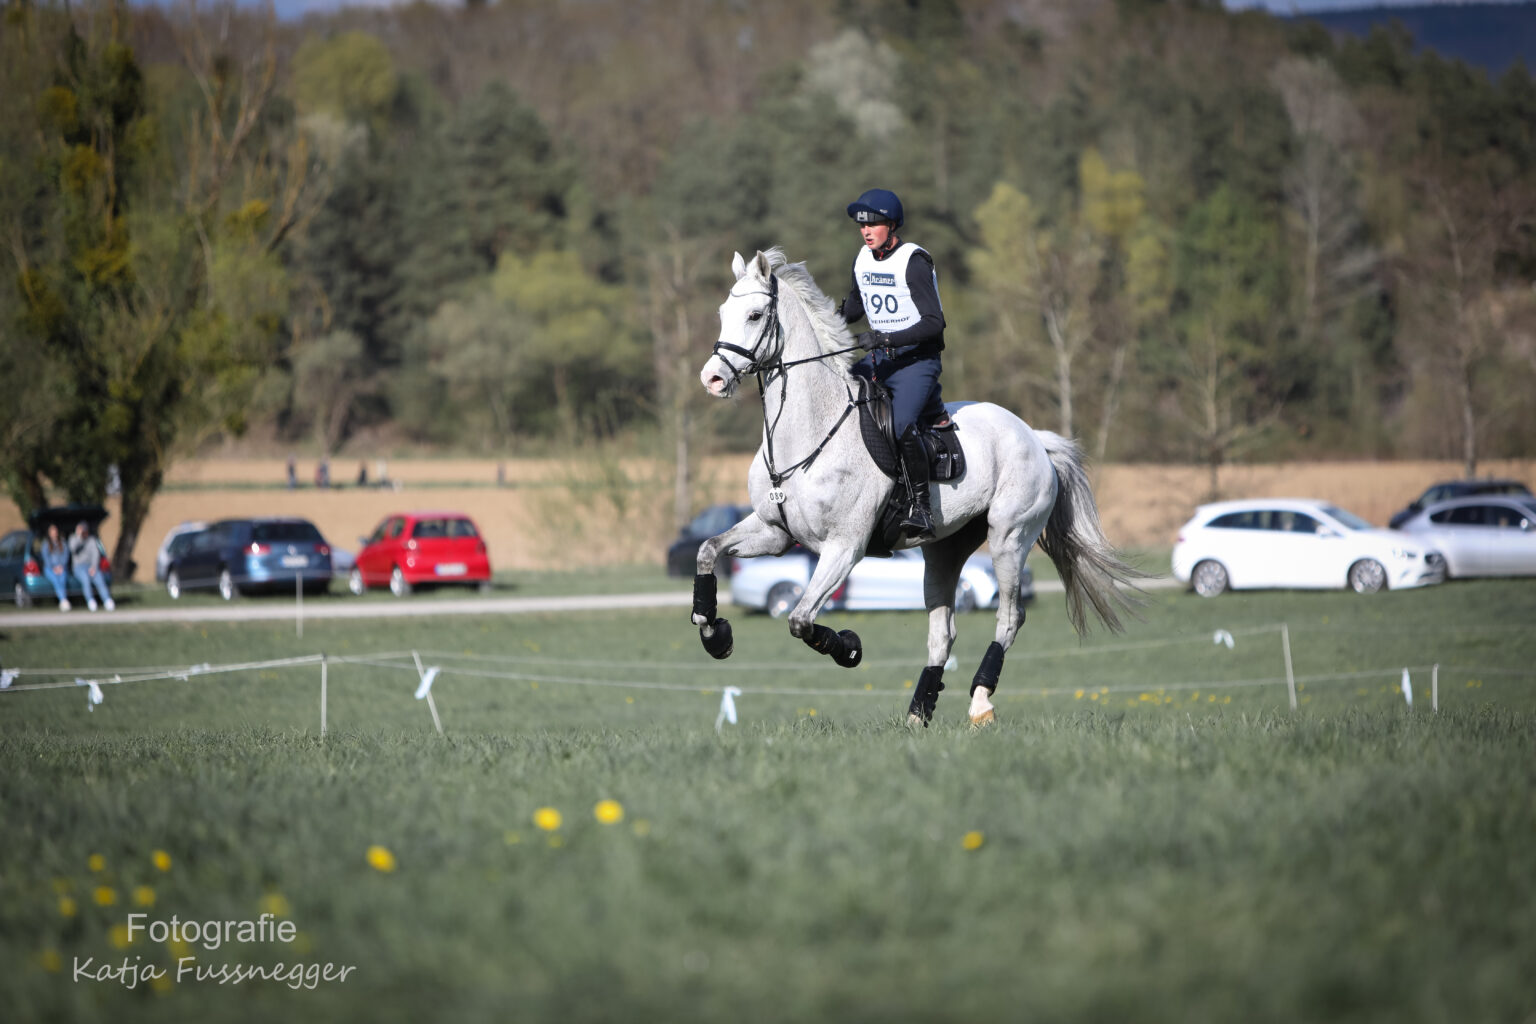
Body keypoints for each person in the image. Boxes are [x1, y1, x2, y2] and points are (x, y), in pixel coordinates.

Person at [839, 187, 946, 539]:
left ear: (892, 225)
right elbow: (854, 309)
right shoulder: (862, 258)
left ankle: (921, 508)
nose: (866, 231)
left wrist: (885, 338)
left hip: (917, 362)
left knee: (900, 426)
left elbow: (934, 323)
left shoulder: (913, 261)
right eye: (862, 226)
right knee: (838, 401)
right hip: (879, 361)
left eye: (874, 224)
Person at [69, 521, 114, 612]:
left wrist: (94, 567)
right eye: (82, 530)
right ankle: (91, 601)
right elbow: (72, 549)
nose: (84, 532)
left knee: (99, 578)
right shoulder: (73, 538)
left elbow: (95, 554)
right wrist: (79, 536)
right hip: (79, 567)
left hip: (91, 566)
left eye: (85, 530)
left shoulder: (92, 540)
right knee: (85, 579)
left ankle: (107, 600)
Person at [39, 523, 71, 611]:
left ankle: (63, 600)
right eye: (52, 531)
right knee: (56, 580)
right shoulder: (46, 544)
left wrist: (61, 566)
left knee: (63, 579)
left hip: (61, 567)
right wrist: (53, 567)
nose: (54, 533)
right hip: (49, 568)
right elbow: (45, 558)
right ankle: (63, 600)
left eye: (55, 531)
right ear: (49, 533)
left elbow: (66, 556)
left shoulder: (63, 542)